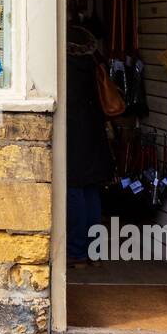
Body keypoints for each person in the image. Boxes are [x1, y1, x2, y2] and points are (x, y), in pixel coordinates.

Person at [66, 15, 115, 266]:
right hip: (94, 133)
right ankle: (93, 250)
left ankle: (77, 251)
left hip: (74, 135)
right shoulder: (95, 61)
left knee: (74, 190)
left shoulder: (66, 67)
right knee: (91, 191)